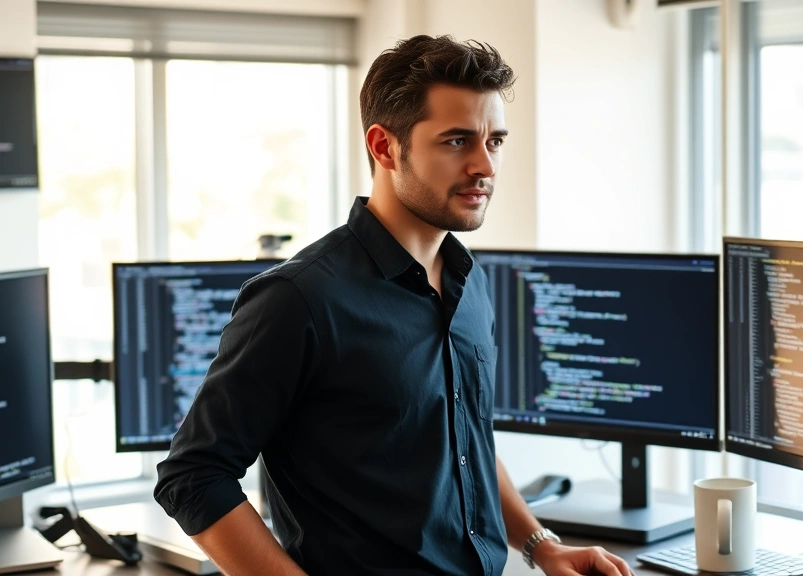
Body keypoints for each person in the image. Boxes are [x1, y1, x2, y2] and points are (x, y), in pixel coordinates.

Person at [154, 34, 633, 576]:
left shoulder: (467, 280)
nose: (486, 166)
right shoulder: (299, 299)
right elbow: (193, 475)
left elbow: (465, 435)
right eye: (457, 141)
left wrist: (542, 547)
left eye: (494, 141)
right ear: (384, 147)